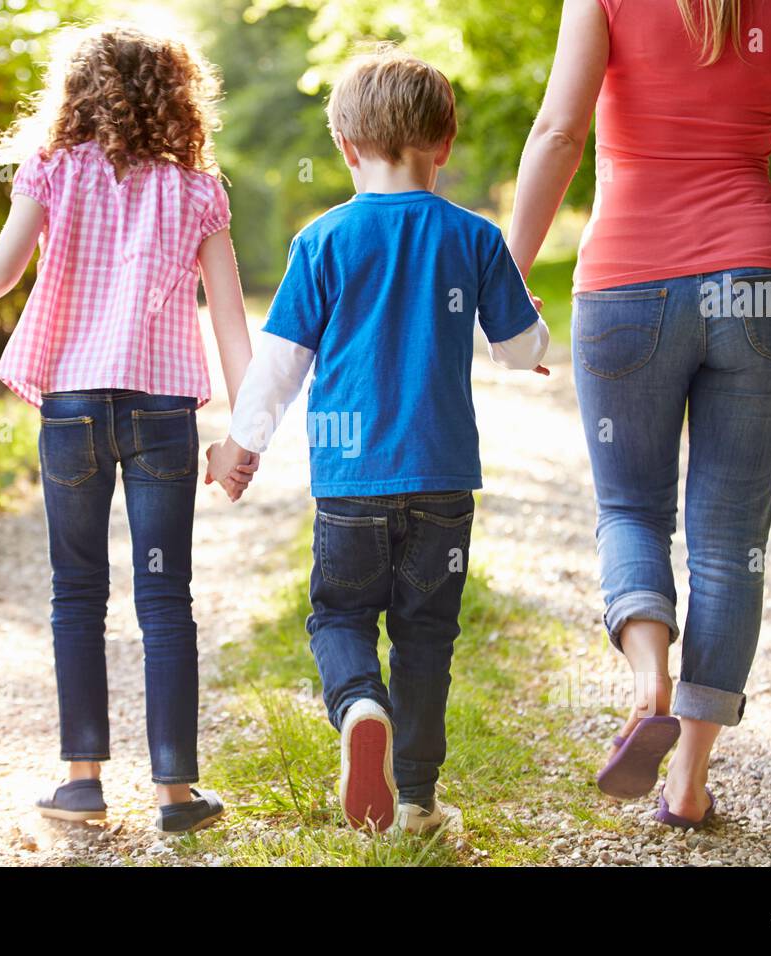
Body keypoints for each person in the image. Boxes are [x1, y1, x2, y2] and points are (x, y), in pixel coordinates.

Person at [0, 23, 257, 835]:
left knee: (76, 591)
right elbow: (231, 325)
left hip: (73, 410)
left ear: (79, 91)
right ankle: (175, 794)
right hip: (163, 412)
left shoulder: (51, 170)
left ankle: (82, 783)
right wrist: (243, 435)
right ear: (179, 98)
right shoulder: (200, 189)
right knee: (166, 598)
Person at [507, 0, 771, 826]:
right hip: (766, 286)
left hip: (628, 286)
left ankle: (648, 678)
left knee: (630, 507)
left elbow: (559, 132)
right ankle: (688, 783)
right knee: (732, 543)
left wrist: (506, 278)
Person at [206, 48, 550, 833]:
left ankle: (360, 703)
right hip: (442, 483)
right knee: (427, 633)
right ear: (446, 144)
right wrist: (532, 339)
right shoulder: (474, 237)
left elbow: (280, 365)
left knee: (340, 616)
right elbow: (521, 348)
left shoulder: (322, 241)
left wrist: (241, 447)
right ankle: (419, 801)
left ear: (346, 147)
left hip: (350, 485)